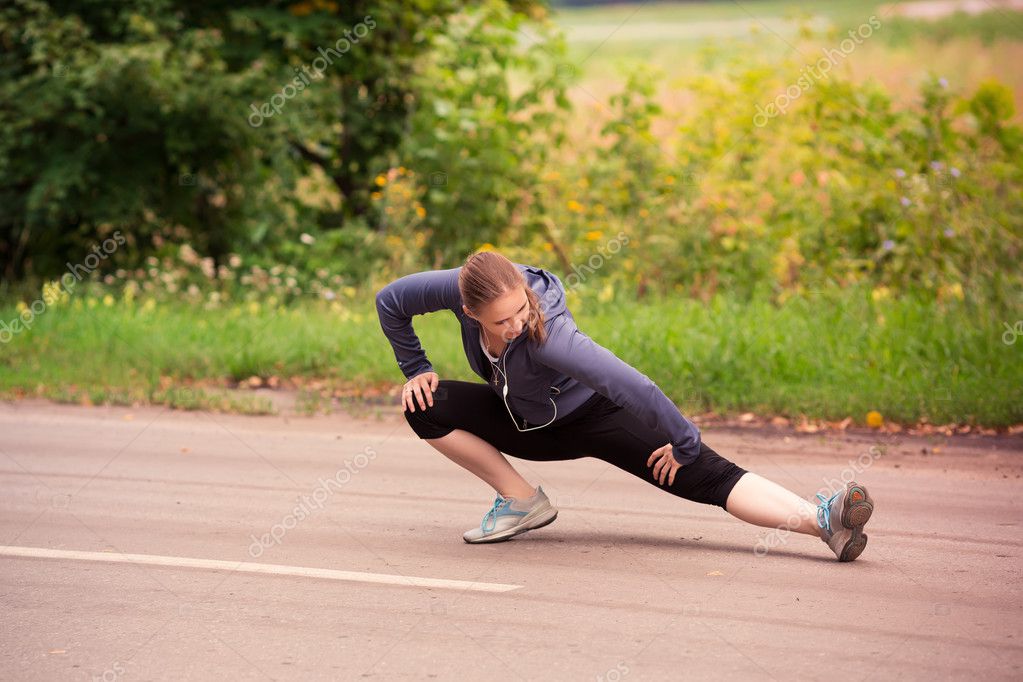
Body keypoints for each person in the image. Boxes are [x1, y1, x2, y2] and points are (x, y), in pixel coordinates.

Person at [374, 250, 875, 561]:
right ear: (469, 311)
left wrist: (683, 442)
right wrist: (415, 366)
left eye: (521, 310)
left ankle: (824, 522)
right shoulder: (461, 286)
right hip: (524, 421)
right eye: (500, 321)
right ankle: (522, 502)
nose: (516, 325)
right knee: (425, 404)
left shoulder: (553, 339)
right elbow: (390, 301)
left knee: (706, 476)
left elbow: (632, 386)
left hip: (597, 418)